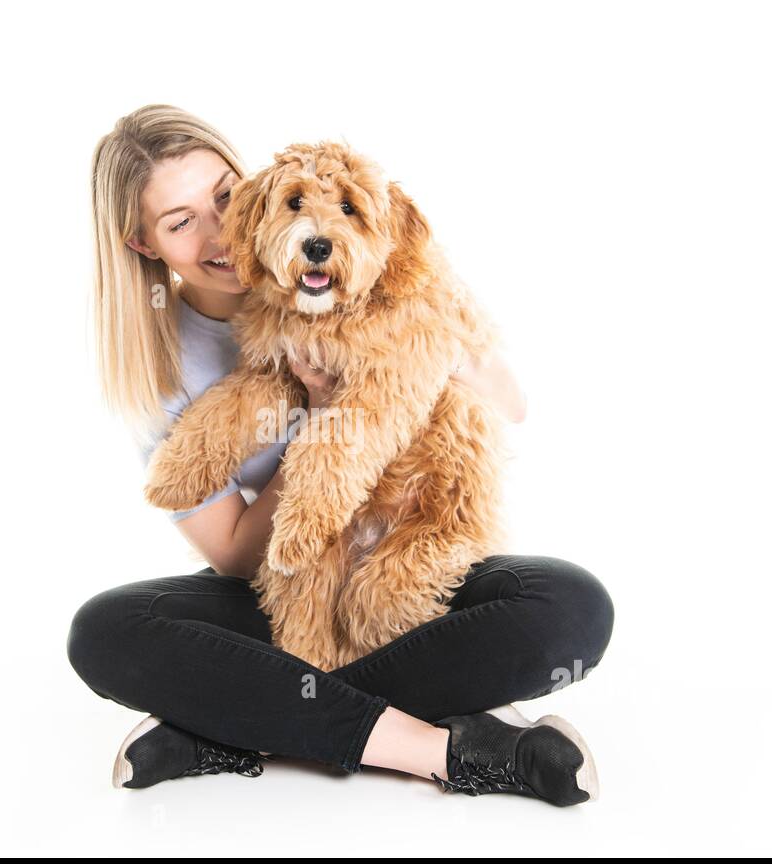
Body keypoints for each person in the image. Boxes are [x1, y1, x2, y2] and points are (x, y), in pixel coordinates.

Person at [67, 104, 614, 805]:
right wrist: (320, 420)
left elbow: (511, 402)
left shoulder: (370, 260)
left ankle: (243, 725)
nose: (222, 231)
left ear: (254, 190)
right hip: (284, 582)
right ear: (144, 246)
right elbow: (236, 558)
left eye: (227, 199)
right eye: (180, 222)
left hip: (409, 557)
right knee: (106, 633)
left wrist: (425, 343)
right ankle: (453, 749)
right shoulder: (159, 369)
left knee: (569, 608)